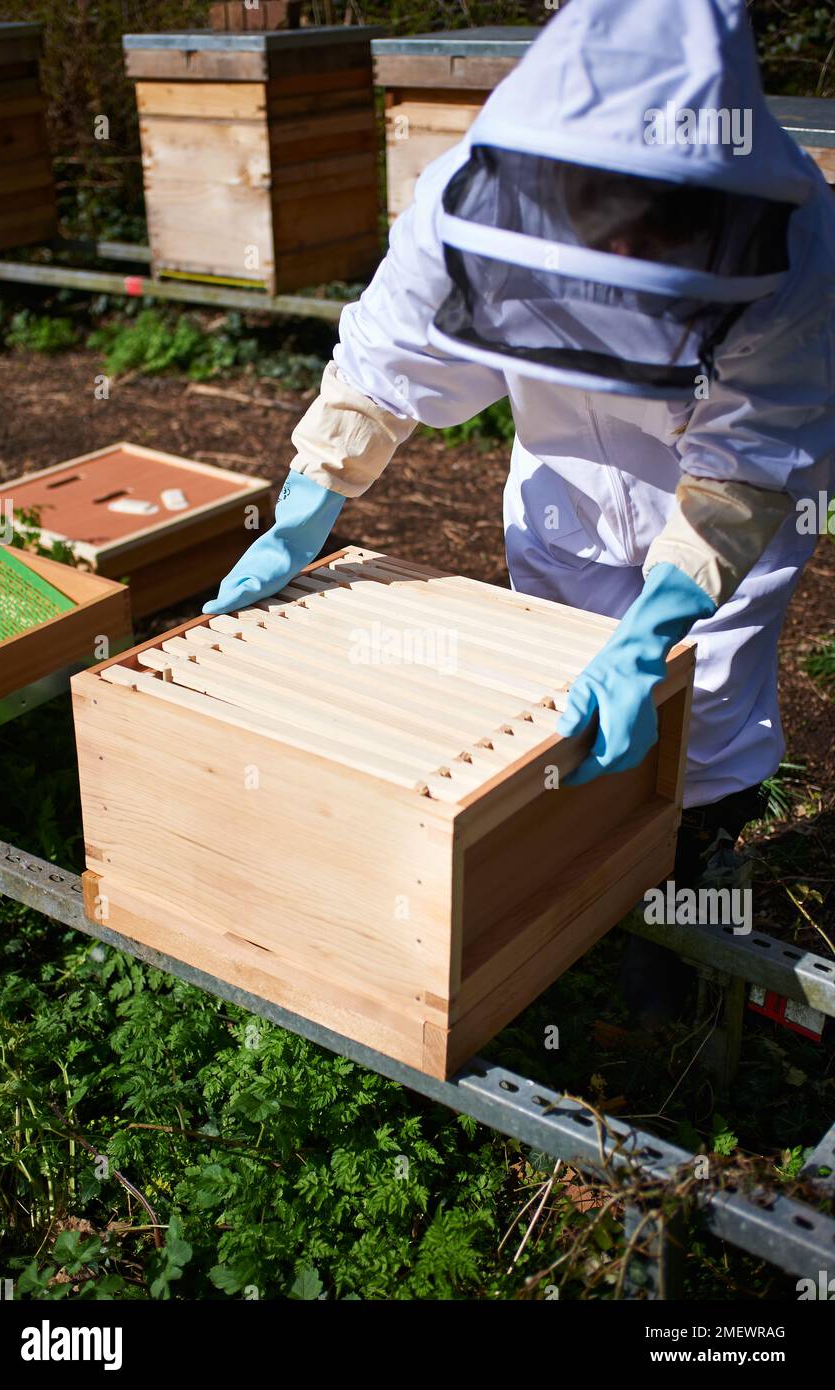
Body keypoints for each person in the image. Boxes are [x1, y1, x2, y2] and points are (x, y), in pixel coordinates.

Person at [204, 0, 835, 1020]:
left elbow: (749, 457)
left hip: (720, 504)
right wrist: (308, 502)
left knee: (703, 700)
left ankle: (693, 893)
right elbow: (386, 360)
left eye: (650, 224)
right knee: (555, 690)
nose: (620, 235)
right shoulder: (472, 193)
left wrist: (661, 626)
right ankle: (577, 878)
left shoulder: (794, 241)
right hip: (565, 487)